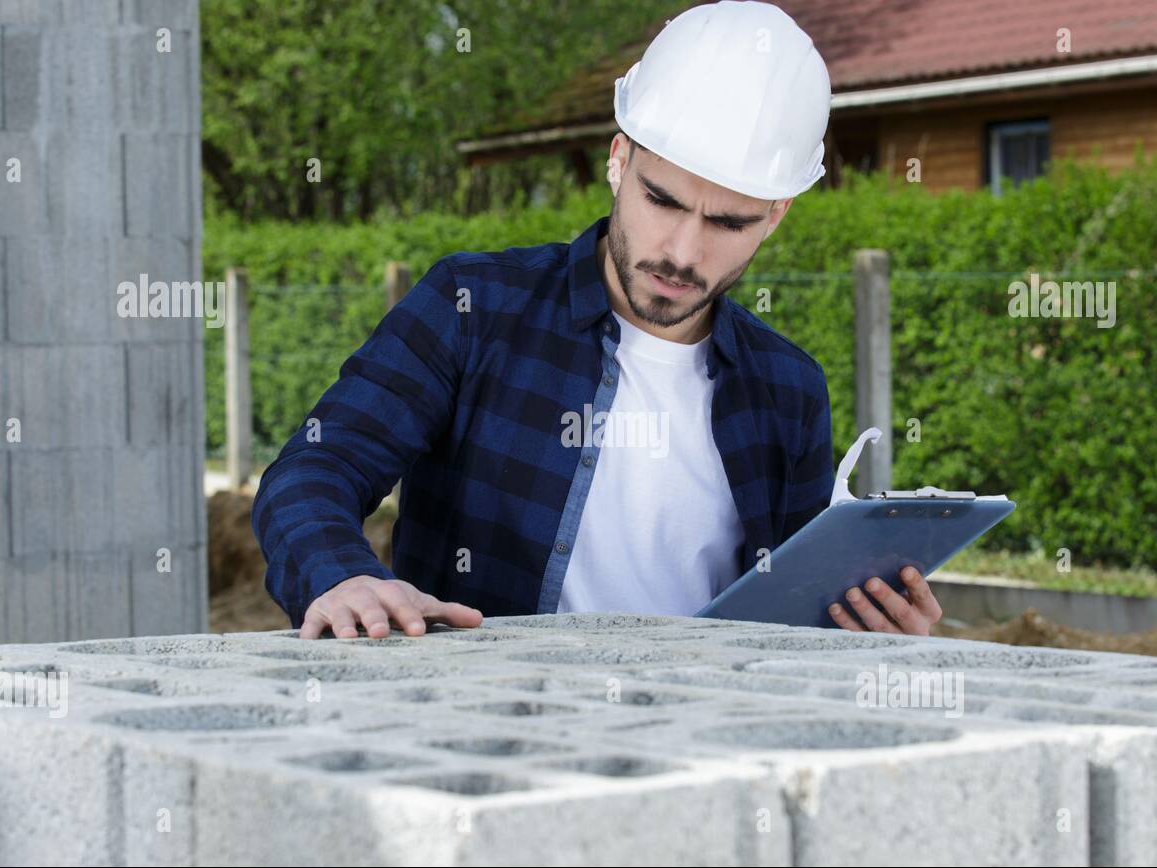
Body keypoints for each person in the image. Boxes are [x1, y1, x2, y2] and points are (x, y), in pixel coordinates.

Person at [251, 1, 943, 640]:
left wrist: (866, 630)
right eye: (662, 200)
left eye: (728, 222)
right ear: (619, 161)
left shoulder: (788, 389)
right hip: (484, 730)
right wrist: (344, 575)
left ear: (776, 216)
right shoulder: (475, 307)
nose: (682, 251)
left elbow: (796, 615)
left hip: (699, 741)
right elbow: (316, 467)